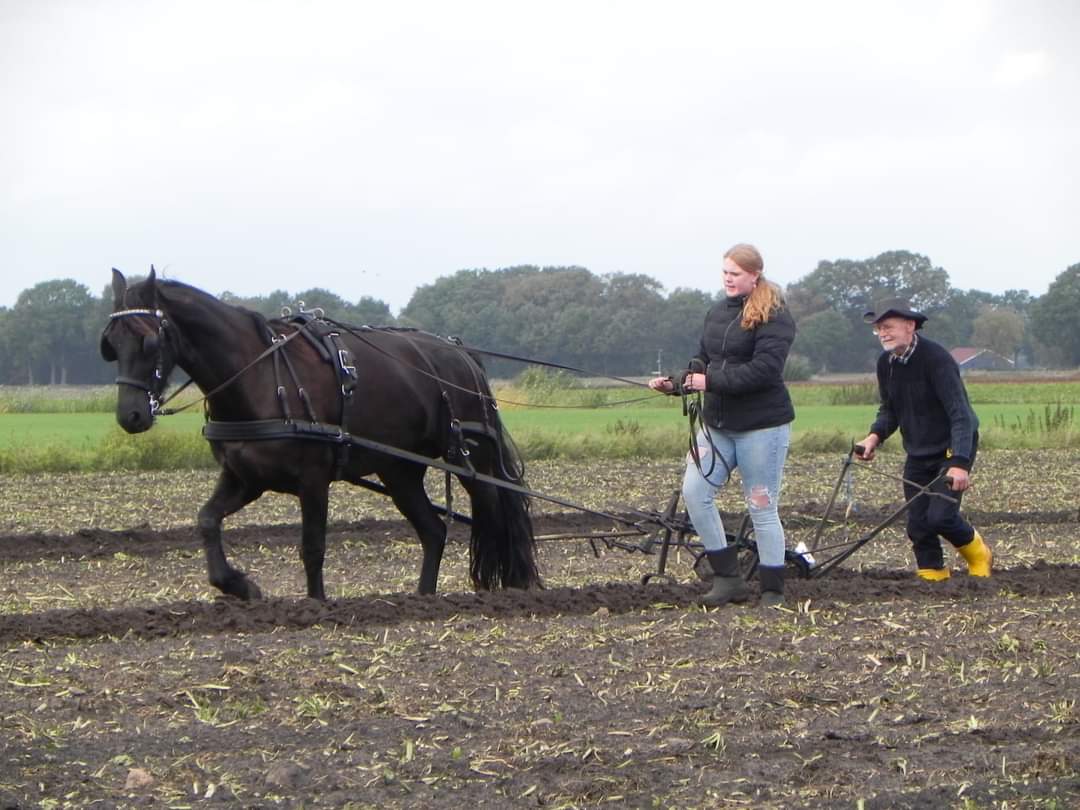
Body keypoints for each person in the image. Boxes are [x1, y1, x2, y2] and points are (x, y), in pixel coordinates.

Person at [649, 243, 796, 607]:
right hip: (717, 425)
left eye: (735, 274)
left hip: (762, 426)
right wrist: (678, 381)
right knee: (695, 493)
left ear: (754, 275)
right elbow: (702, 359)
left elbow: (764, 371)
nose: (728, 280)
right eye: (725, 273)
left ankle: (773, 589)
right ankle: (727, 578)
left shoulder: (775, 316)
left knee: (761, 505)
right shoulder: (716, 312)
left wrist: (708, 382)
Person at [855, 297, 992, 580]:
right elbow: (890, 409)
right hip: (917, 449)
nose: (882, 333)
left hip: (950, 448)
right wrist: (874, 437)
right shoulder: (887, 363)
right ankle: (933, 576)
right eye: (879, 328)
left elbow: (961, 414)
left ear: (910, 325)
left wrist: (960, 462)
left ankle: (979, 555)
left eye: (888, 326)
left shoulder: (937, 360)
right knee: (918, 524)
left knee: (940, 516)